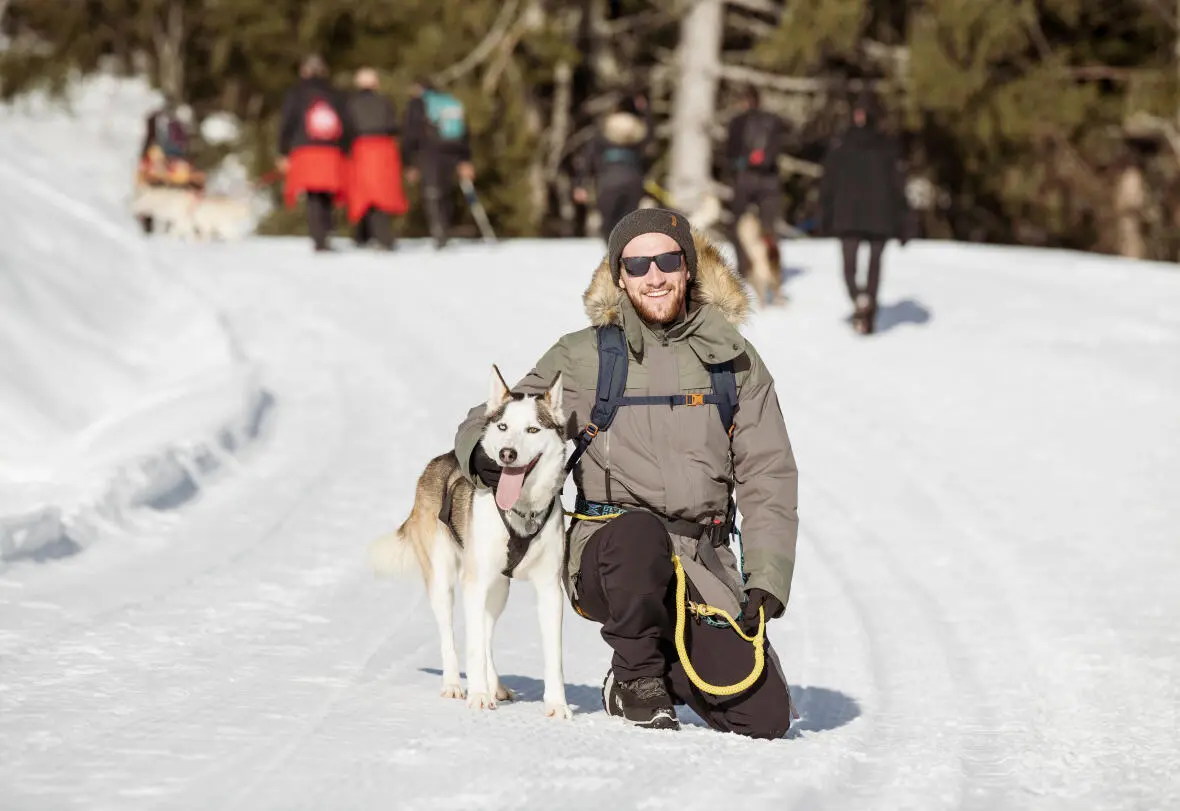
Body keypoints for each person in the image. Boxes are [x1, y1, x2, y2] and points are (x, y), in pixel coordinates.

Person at [451, 208, 799, 739]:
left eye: (666, 260)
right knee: (638, 535)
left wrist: (767, 578)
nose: (653, 276)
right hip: (610, 549)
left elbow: (768, 471)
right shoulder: (586, 355)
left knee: (765, 718)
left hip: (703, 559)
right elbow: (500, 416)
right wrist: (480, 452)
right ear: (619, 275)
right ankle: (634, 678)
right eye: (637, 265)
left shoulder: (733, 359)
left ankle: (665, 660)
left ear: (688, 268)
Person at [819, 90, 909, 334]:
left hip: (856, 214)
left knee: (861, 266)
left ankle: (864, 304)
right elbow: (898, 184)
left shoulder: (845, 143)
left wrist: (904, 220)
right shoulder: (881, 145)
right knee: (864, 267)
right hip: (873, 215)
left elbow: (897, 185)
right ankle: (865, 304)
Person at [277, 54, 353, 252]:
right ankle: (327, 230)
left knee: (313, 193)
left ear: (304, 71)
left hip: (305, 148)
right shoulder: (336, 93)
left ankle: (318, 237)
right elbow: (347, 122)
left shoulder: (296, 92)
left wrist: (283, 151)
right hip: (331, 148)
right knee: (327, 192)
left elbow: (287, 122)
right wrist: (346, 148)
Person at [402, 78, 475, 249]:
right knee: (446, 192)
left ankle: (440, 233)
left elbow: (411, 133)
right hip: (453, 151)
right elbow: (464, 132)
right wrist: (465, 158)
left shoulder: (418, 104)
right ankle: (445, 229)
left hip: (430, 152)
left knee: (433, 192)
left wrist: (409, 161)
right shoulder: (449, 103)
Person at [724, 85, 787, 278]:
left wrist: (739, 164)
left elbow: (729, 153)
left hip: (745, 180)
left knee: (739, 228)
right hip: (769, 181)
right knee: (768, 229)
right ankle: (772, 268)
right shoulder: (773, 121)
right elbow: (779, 147)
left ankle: (745, 268)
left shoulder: (737, 122)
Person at [344, 67, 407, 250]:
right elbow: (394, 126)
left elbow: (347, 129)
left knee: (364, 193)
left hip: (361, 149)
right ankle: (372, 235)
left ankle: (369, 236)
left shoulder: (351, 104)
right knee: (381, 193)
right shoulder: (385, 102)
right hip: (384, 149)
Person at [573, 94, 653, 240]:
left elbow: (587, 160)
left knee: (609, 227)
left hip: (608, 184)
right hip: (633, 183)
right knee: (628, 226)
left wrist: (580, 184)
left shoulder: (601, 135)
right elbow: (650, 137)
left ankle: (613, 257)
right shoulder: (636, 134)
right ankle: (624, 257)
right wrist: (646, 111)